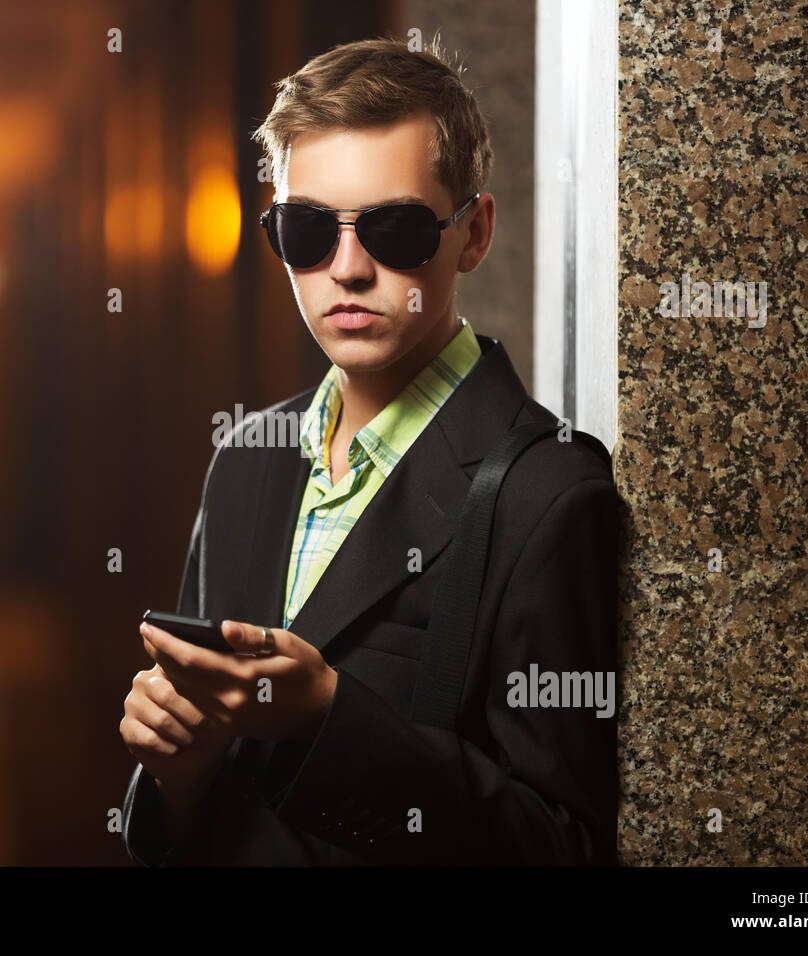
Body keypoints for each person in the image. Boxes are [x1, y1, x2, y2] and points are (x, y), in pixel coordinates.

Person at [118, 33, 618, 865]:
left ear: (474, 232)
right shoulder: (247, 459)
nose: (346, 268)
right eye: (308, 231)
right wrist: (176, 770)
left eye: (394, 228)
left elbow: (563, 848)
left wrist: (329, 718)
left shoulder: (549, 494)